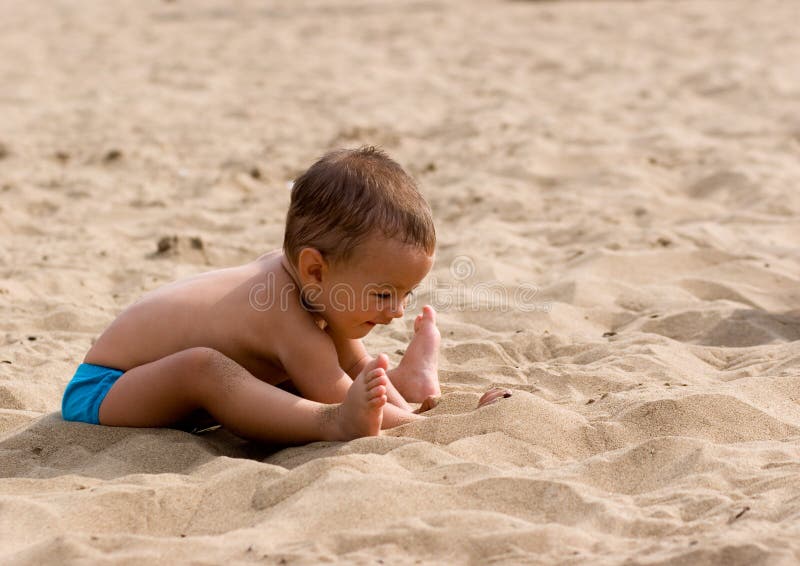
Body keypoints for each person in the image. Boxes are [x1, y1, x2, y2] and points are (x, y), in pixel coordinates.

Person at [61, 147, 511, 443]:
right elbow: (336, 390)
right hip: (104, 390)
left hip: (152, 394)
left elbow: (352, 366)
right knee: (207, 367)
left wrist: (388, 392)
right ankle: (335, 426)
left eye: (406, 294)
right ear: (315, 268)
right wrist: (438, 428)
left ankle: (405, 382)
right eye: (382, 294)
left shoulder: (303, 282)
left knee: (307, 371)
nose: (395, 311)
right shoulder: (280, 310)